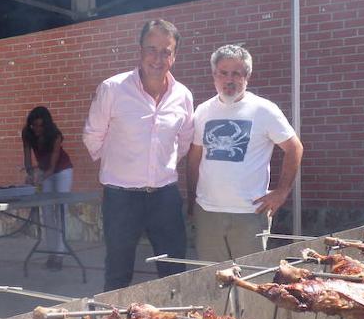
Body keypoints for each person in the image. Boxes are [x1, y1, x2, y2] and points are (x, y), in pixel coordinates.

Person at [83, 19, 194, 291]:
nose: (158, 58)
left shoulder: (183, 96)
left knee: (174, 272)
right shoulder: (113, 89)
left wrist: (159, 164)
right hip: (121, 198)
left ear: (174, 56)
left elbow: (185, 140)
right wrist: (117, 164)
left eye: (166, 51)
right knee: (118, 274)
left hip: (165, 197)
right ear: (140, 50)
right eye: (151, 49)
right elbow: (92, 135)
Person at [186, 44, 304, 261]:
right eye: (223, 73)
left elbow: (294, 148)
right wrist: (192, 198)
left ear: (246, 76)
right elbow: (194, 158)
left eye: (236, 73)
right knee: (211, 282)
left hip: (250, 215)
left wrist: (282, 191)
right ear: (214, 75)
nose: (229, 80)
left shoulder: (263, 109)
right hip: (207, 213)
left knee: (250, 282)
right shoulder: (202, 111)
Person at [21, 106, 73, 269]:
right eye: (34, 125)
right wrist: (30, 173)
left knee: (60, 211)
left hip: (62, 170)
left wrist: (40, 178)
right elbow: (28, 158)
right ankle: (52, 252)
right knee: (47, 212)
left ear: (47, 125)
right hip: (45, 172)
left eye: (40, 126)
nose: (36, 129)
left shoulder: (55, 135)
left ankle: (60, 254)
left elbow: (52, 166)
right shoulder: (27, 134)